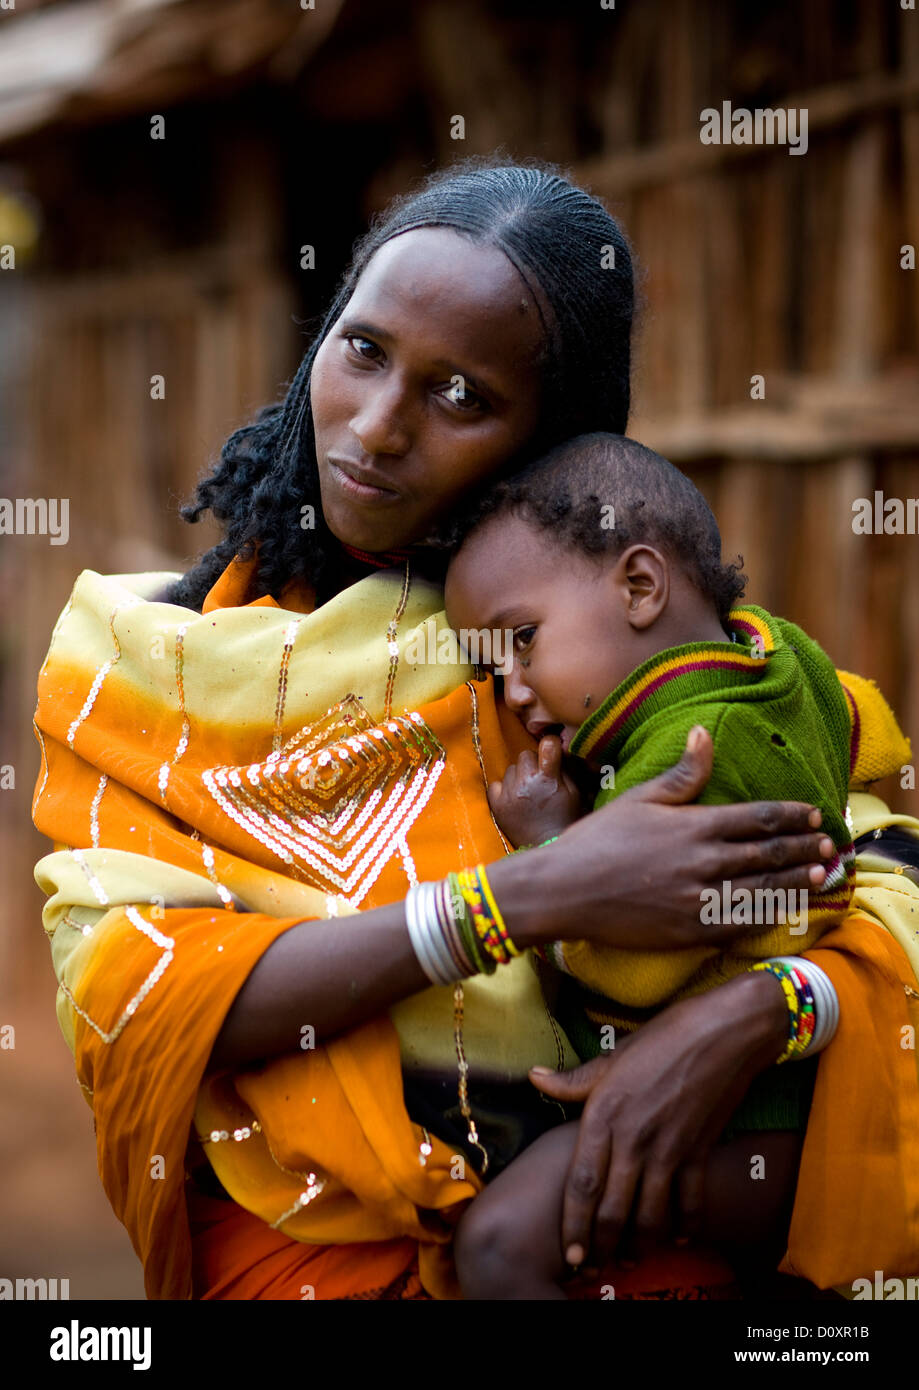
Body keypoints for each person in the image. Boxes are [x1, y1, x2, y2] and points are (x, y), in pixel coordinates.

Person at [31, 159, 919, 1301]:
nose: (381, 426)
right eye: (362, 350)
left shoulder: (606, 645)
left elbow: (875, 865)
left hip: (618, 1231)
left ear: (553, 434)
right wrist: (528, 898)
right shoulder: (152, 663)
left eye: (464, 397)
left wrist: (767, 1010)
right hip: (307, 1259)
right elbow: (138, 997)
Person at [443, 431, 863, 1298]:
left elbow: (633, 968)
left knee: (499, 1242)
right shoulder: (780, 657)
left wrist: (548, 854)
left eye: (522, 640)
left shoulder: (687, 754)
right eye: (492, 667)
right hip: (796, 1102)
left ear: (639, 586)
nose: (514, 691)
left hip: (750, 1130)